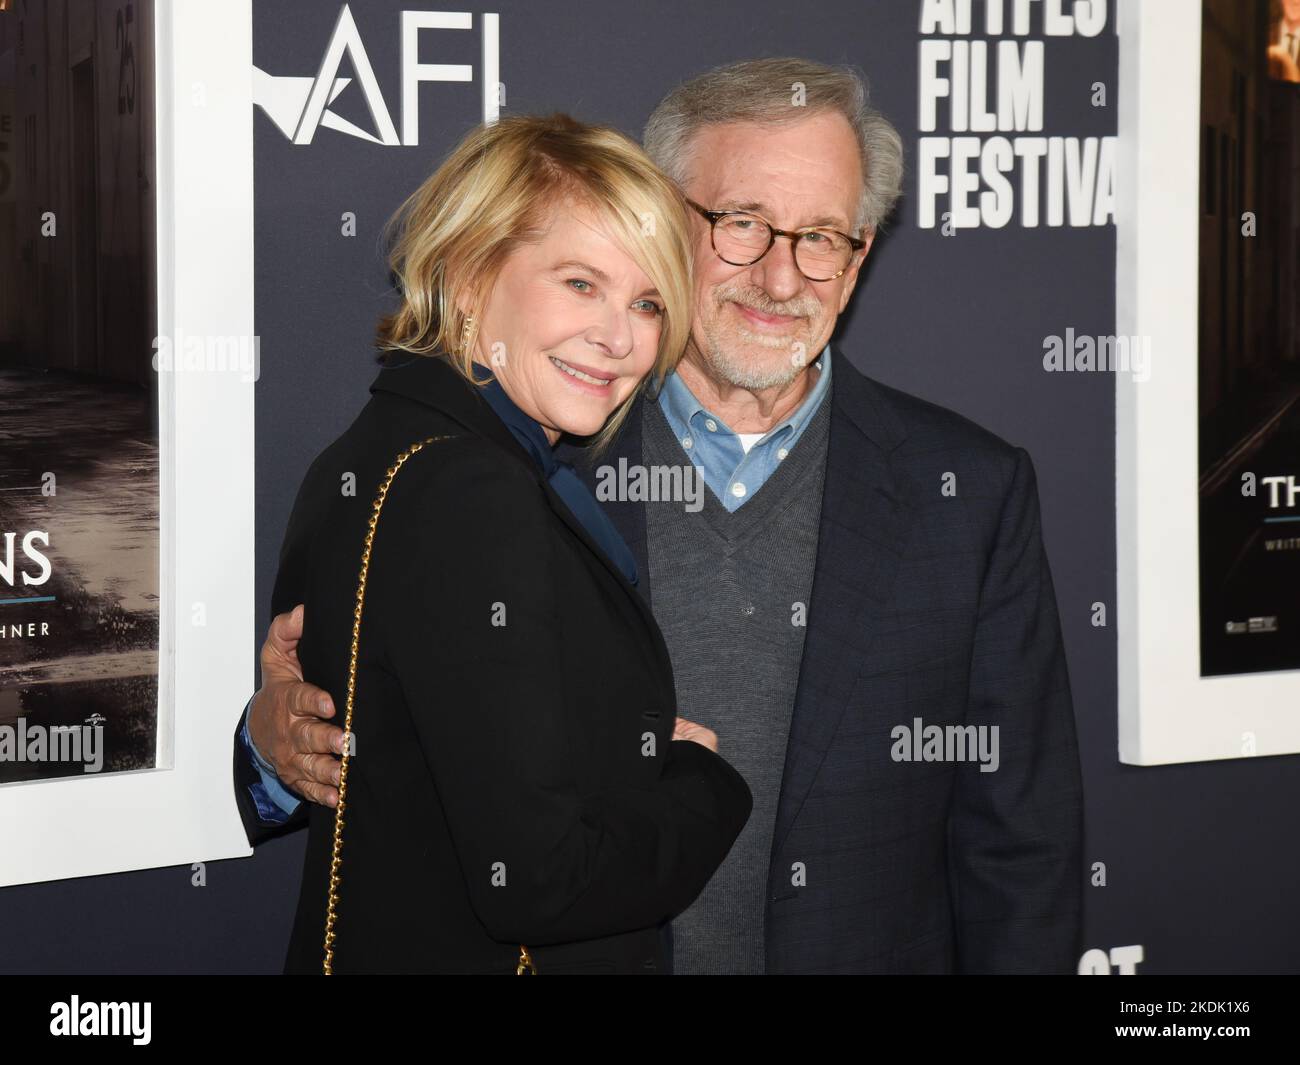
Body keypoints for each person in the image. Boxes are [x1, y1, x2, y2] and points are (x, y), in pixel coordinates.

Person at [241, 58, 1083, 975]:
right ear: (660, 220)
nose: (781, 274)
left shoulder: (967, 492)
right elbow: (377, 741)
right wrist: (271, 746)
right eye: (742, 223)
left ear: (858, 260)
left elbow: (1021, 847)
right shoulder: (526, 453)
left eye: (822, 238)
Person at [242, 112, 752, 974]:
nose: (620, 337)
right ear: (471, 277)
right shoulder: (473, 489)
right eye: (581, 283)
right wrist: (702, 786)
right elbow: (537, 882)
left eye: (648, 302)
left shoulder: (375, 450)